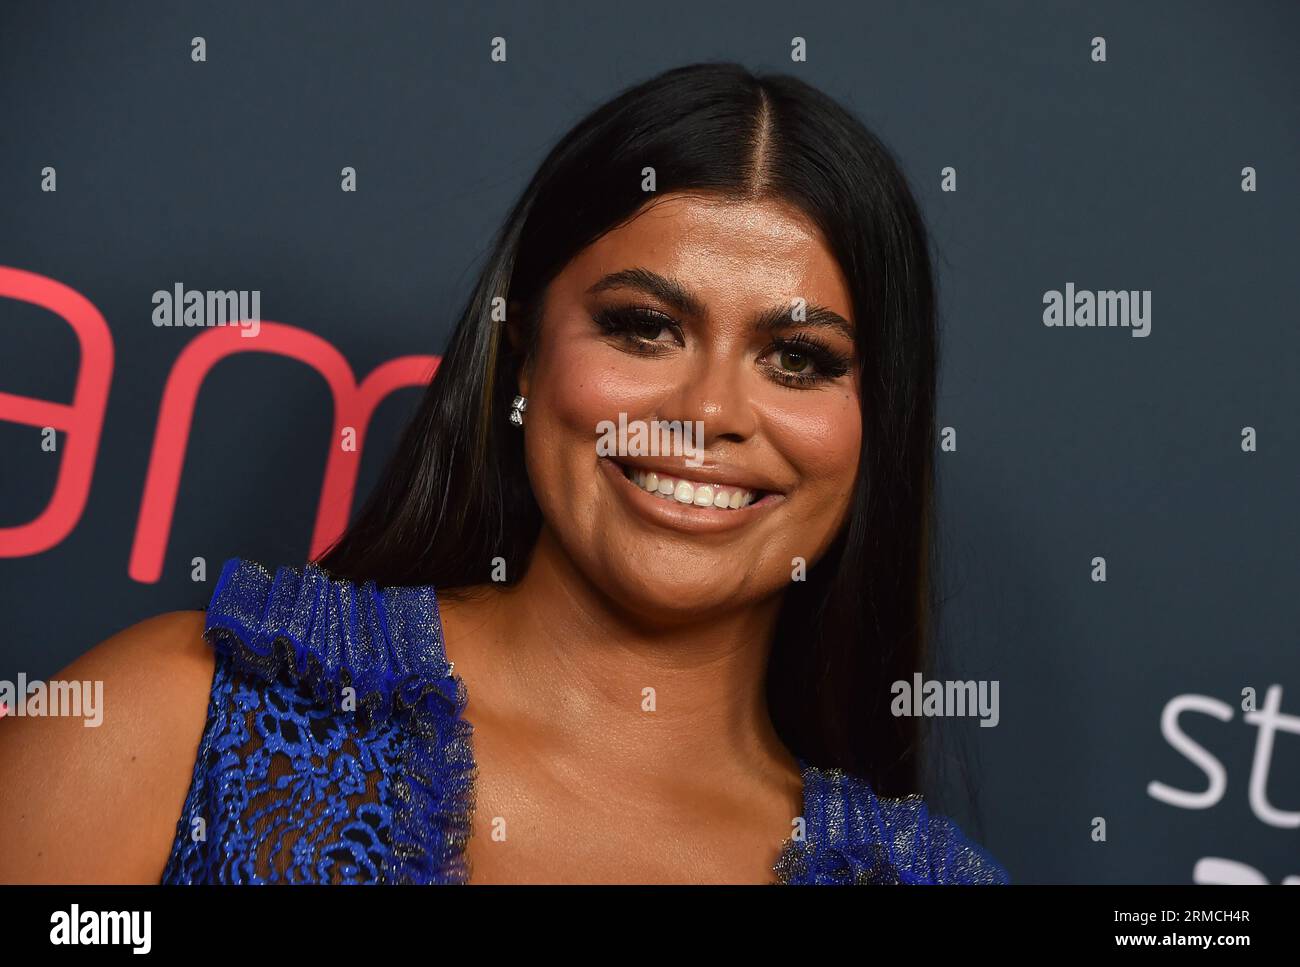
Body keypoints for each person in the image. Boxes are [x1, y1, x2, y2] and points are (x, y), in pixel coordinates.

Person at [0, 62, 1008, 885]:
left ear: (875, 421)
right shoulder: (177, 715)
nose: (708, 413)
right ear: (523, 352)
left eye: (798, 359)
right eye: (644, 328)